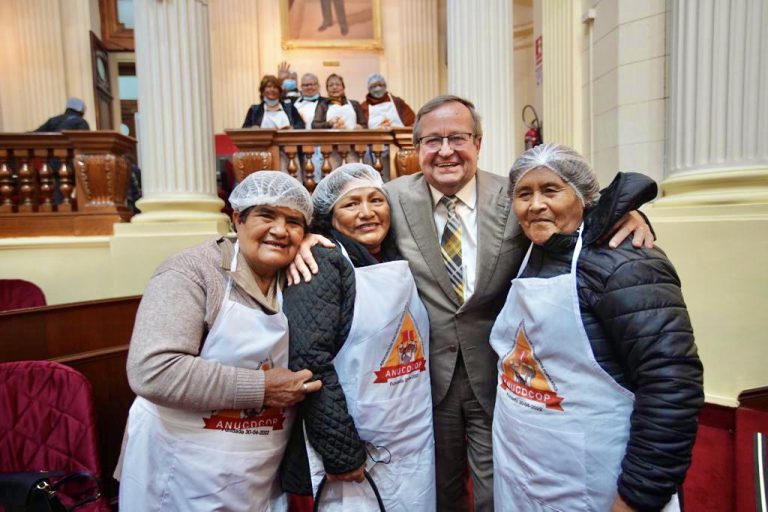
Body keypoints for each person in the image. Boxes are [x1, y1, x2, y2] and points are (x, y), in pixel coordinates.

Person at [291, 95, 654, 512]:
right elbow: (342, 213)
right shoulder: (389, 198)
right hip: (424, 379)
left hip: (498, 373)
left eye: (457, 138)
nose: (445, 150)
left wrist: (629, 215)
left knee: (497, 487)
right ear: (417, 148)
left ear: (478, 143)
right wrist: (309, 237)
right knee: (438, 487)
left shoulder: (515, 193)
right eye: (432, 140)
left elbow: (572, 206)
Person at [491, 143, 703, 511]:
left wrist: (638, 496)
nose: (536, 204)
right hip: (525, 471)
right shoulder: (531, 248)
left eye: (551, 190)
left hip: (596, 481)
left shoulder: (628, 265)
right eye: (524, 194)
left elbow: (671, 383)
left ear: (583, 196)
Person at [117, 171, 323, 511]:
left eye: (294, 222)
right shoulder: (191, 272)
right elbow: (153, 371)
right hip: (180, 468)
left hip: (258, 470)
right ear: (237, 218)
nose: (280, 230)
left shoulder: (298, 275)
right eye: (266, 216)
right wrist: (263, 388)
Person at [281, 164, 435, 511]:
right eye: (351, 204)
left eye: (376, 200)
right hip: (353, 445)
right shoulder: (320, 262)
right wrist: (342, 452)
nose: (367, 212)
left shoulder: (396, 255)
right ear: (329, 216)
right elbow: (308, 362)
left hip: (408, 432)